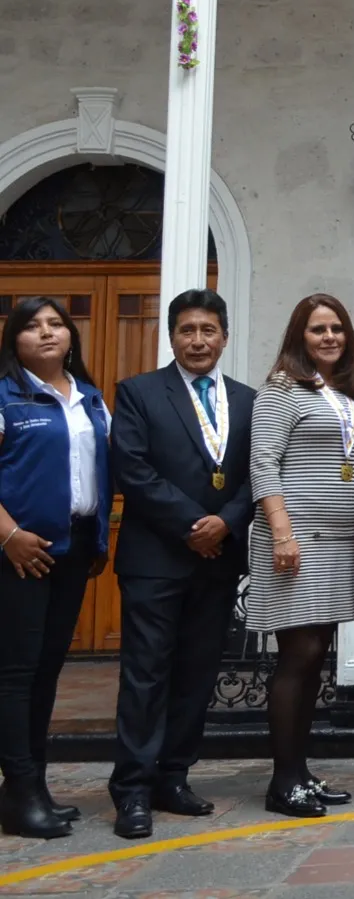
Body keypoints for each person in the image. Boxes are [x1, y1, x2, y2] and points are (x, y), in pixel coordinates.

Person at [107, 289, 256, 840]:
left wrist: (226, 523)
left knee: (197, 675)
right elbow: (133, 470)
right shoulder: (140, 394)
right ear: (171, 336)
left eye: (208, 331)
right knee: (146, 676)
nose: (198, 341)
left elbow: (256, 475)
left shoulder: (247, 400)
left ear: (224, 335)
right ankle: (133, 790)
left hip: (217, 562)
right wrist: (195, 524)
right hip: (156, 559)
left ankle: (174, 776)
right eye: (188, 330)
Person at [249, 294, 354, 818]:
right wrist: (281, 532)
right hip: (293, 543)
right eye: (318, 329)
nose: (328, 338)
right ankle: (283, 781)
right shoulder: (281, 389)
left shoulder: (352, 390)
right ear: (299, 336)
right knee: (296, 657)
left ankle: (301, 771)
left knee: (317, 654)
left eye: (337, 329)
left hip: (337, 542)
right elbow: (263, 460)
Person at [0, 298, 111, 839]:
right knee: (16, 673)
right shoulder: (5, 395)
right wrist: (11, 537)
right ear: (14, 339)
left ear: (71, 336)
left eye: (56, 324)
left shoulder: (89, 399)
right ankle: (19, 791)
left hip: (73, 552)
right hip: (19, 554)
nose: (46, 333)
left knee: (46, 671)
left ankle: (32, 786)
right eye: (31, 326)